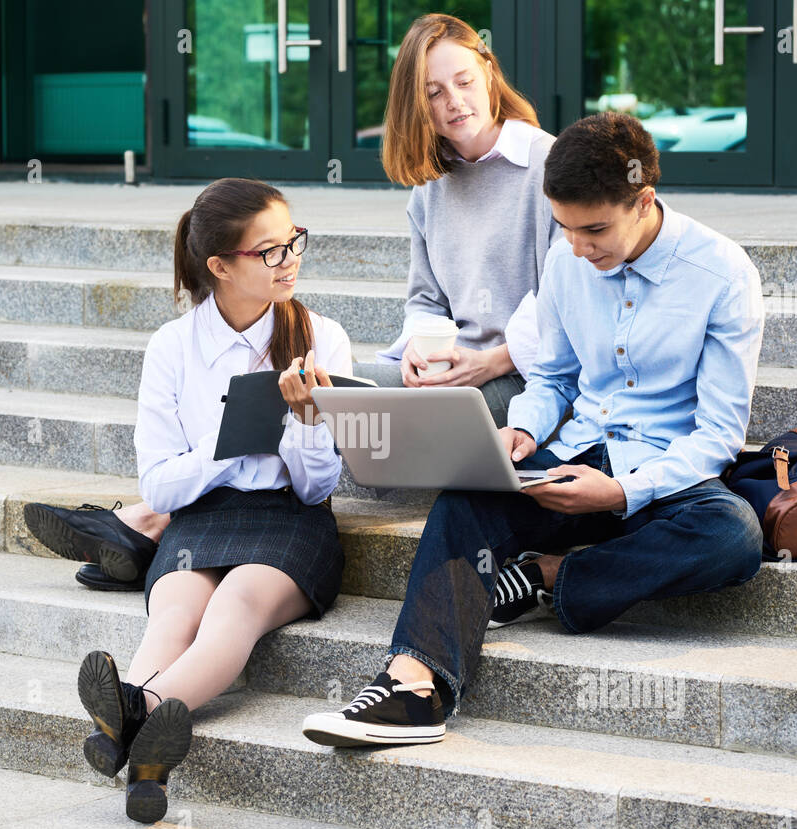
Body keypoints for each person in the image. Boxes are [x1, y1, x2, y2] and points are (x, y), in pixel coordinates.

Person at [303, 113, 767, 747]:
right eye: (567, 228)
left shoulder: (723, 275)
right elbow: (552, 378)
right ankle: (414, 685)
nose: (579, 247)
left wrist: (622, 492)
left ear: (644, 201)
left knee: (733, 534)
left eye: (595, 229)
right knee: (468, 492)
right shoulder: (567, 258)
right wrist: (521, 431)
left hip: (662, 476)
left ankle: (546, 576)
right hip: (574, 453)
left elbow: (717, 435)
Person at [76, 179, 353, 821]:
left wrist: (308, 424)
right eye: (270, 252)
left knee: (231, 607)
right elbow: (159, 487)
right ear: (221, 266)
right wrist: (230, 442)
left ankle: (126, 713)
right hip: (201, 515)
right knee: (173, 611)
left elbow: (317, 488)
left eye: (293, 243)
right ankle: (146, 758)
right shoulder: (173, 347)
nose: (290, 261)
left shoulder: (321, 337)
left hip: (290, 523)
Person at [353, 13, 558, 429]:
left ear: (489, 73)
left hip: (530, 377)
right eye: (434, 92)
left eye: (464, 82)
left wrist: (491, 362)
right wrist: (417, 347)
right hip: (452, 372)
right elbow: (427, 300)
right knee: (342, 396)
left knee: (377, 419)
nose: (455, 102)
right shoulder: (430, 186)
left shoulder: (549, 165)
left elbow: (571, 302)